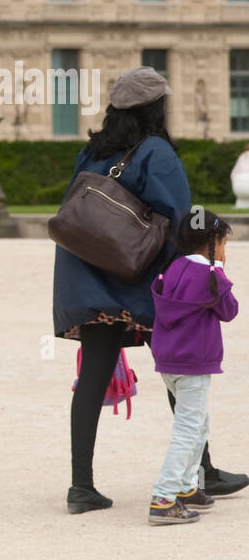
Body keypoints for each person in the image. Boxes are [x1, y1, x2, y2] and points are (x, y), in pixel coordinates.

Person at [53, 66, 247, 514]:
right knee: (181, 368)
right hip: (141, 277)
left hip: (88, 274)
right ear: (157, 108)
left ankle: (81, 486)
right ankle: (202, 471)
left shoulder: (92, 150)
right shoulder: (156, 151)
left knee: (94, 376)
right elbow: (181, 222)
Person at [147, 211, 238, 524]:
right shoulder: (211, 276)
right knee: (188, 430)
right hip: (195, 363)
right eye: (224, 243)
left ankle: (187, 487)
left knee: (198, 424)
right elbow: (230, 311)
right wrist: (221, 271)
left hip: (169, 362)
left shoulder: (170, 268)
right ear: (213, 243)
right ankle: (163, 497)